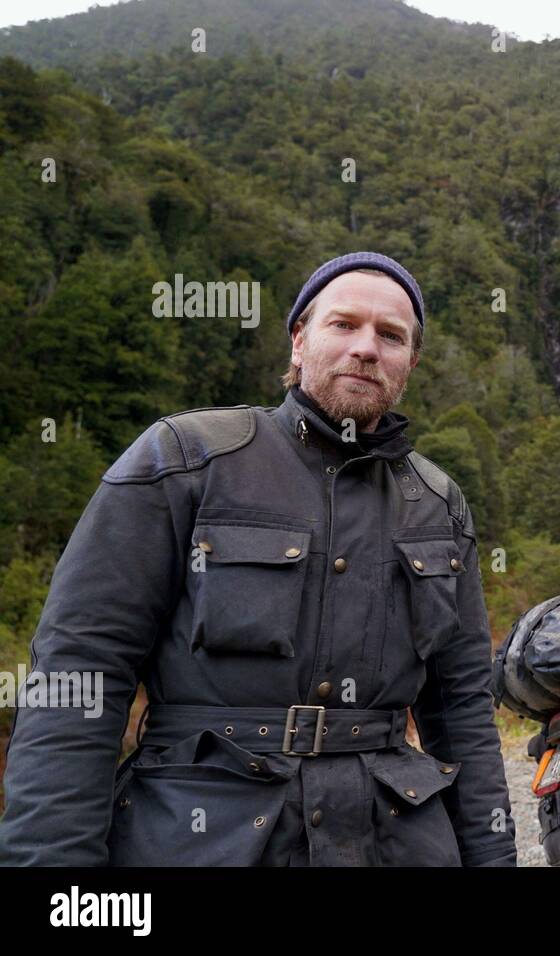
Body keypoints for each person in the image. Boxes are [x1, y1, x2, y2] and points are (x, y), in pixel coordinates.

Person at [0, 251, 516, 866]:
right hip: (196, 841)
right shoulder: (185, 459)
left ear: (410, 361)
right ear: (299, 341)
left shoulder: (438, 504)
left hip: (393, 844)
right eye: (343, 324)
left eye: (390, 335)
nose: (366, 348)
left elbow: (461, 711)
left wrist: (494, 860)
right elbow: (82, 667)